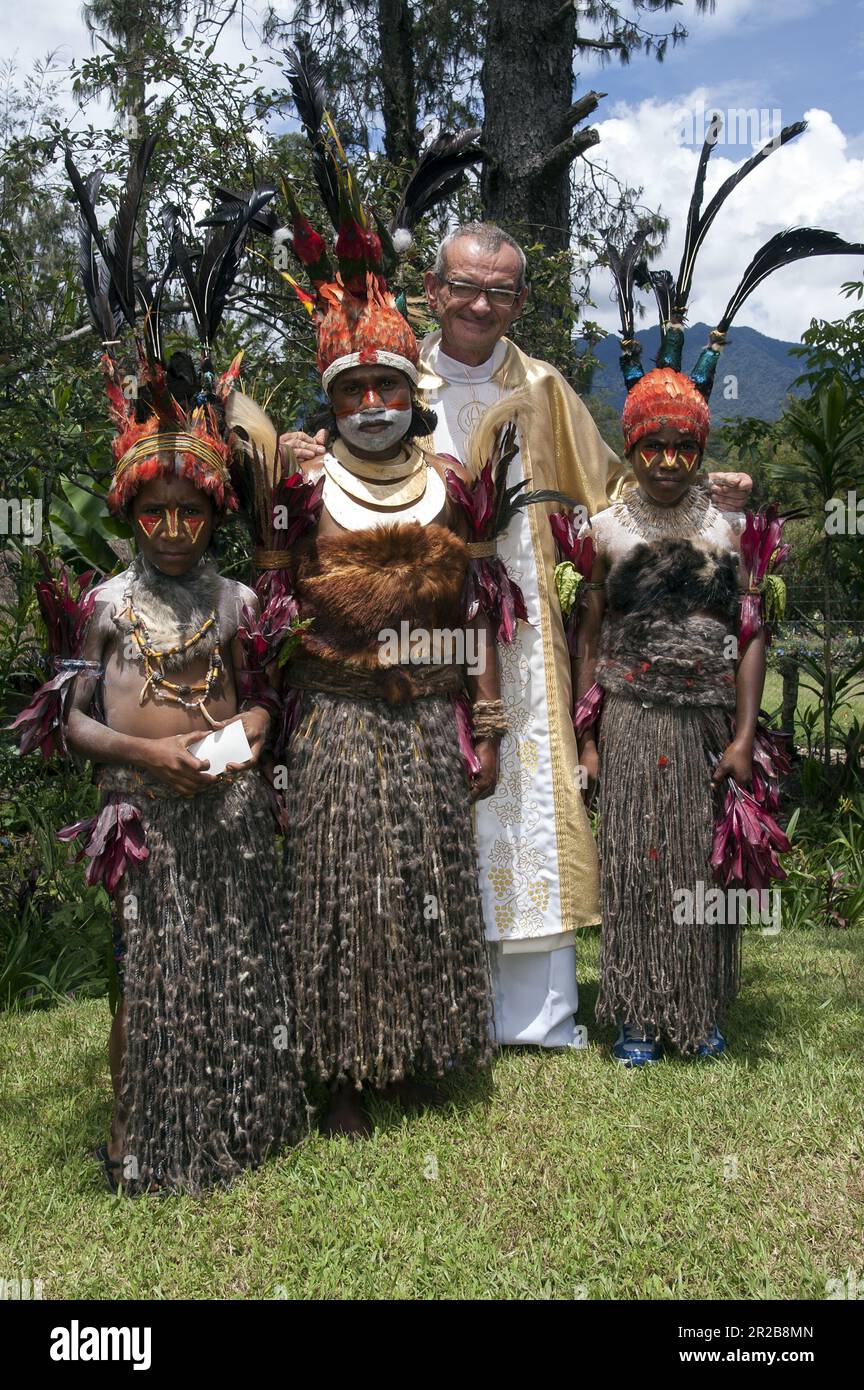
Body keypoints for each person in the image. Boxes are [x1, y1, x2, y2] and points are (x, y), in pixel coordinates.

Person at [11, 150, 307, 1193]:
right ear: (130, 515)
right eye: (155, 514)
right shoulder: (100, 606)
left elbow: (268, 701)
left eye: (191, 511)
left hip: (224, 809)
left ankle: (240, 1121)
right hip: (143, 808)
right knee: (148, 971)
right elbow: (71, 722)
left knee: (232, 962)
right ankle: (139, 1131)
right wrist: (152, 754)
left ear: (215, 513)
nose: (175, 528)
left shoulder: (235, 601)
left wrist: (242, 745)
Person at [573, 118, 862, 1063]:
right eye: (648, 445)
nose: (663, 461)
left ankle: (697, 1008)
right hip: (631, 717)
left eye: (681, 447)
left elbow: (750, 636)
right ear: (631, 444)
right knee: (638, 868)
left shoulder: (732, 530)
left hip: (705, 724)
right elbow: (589, 628)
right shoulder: (605, 528)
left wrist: (741, 737)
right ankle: (637, 1013)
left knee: (702, 869)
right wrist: (586, 733)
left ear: (700, 448)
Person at [259, 141, 501, 1138]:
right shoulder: (301, 484)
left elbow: (483, 608)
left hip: (424, 724)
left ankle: (409, 1053)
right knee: (347, 899)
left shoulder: (450, 481)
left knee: (420, 890)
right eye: (353, 389)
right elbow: (266, 624)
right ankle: (346, 1072)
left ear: (413, 390)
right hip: (339, 725)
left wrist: (482, 721)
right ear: (330, 395)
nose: (371, 404)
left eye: (387, 387)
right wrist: (272, 743)